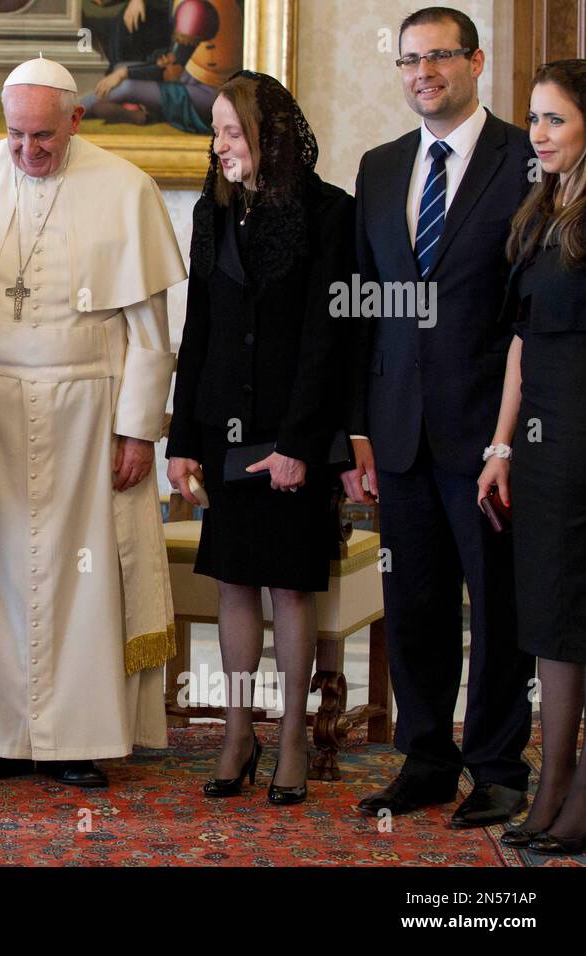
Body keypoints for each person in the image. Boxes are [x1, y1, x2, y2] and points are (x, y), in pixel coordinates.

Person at [0, 56, 185, 788]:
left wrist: (137, 429)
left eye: (45, 139)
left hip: (86, 407)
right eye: (17, 136)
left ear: (77, 119)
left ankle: (77, 739)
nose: (29, 153)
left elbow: (149, 327)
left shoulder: (125, 189)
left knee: (81, 578)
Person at [344, 7, 536, 827]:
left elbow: (534, 306)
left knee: (497, 611)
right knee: (414, 602)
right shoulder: (381, 167)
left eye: (440, 57)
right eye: (409, 60)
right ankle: (425, 758)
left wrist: (509, 437)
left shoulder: (527, 159)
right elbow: (362, 305)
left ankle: (497, 767)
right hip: (398, 429)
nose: (423, 72)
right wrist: (358, 432)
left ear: (477, 61)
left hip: (490, 432)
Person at [166, 71, 354, 805]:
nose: (219, 146)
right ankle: (237, 731)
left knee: (289, 584)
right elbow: (199, 328)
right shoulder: (211, 211)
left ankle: (295, 738)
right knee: (235, 580)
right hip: (222, 427)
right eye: (215, 132)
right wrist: (182, 440)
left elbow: (328, 337)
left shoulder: (328, 211)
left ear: (270, 136)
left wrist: (301, 444)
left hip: (290, 431)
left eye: (232, 132)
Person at [480, 59, 586, 855]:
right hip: (546, 445)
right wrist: (501, 445)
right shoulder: (541, 209)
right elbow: (520, 339)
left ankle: (577, 794)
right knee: (549, 619)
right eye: (534, 119)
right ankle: (550, 785)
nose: (537, 134)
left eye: (553, 119)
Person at [83, 0, 242, 132]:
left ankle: (75, 111)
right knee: (122, 69)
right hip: (193, 75)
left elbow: (172, 73)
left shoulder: (194, 8)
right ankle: (142, 114)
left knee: (126, 85)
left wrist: (124, 73)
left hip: (210, 95)